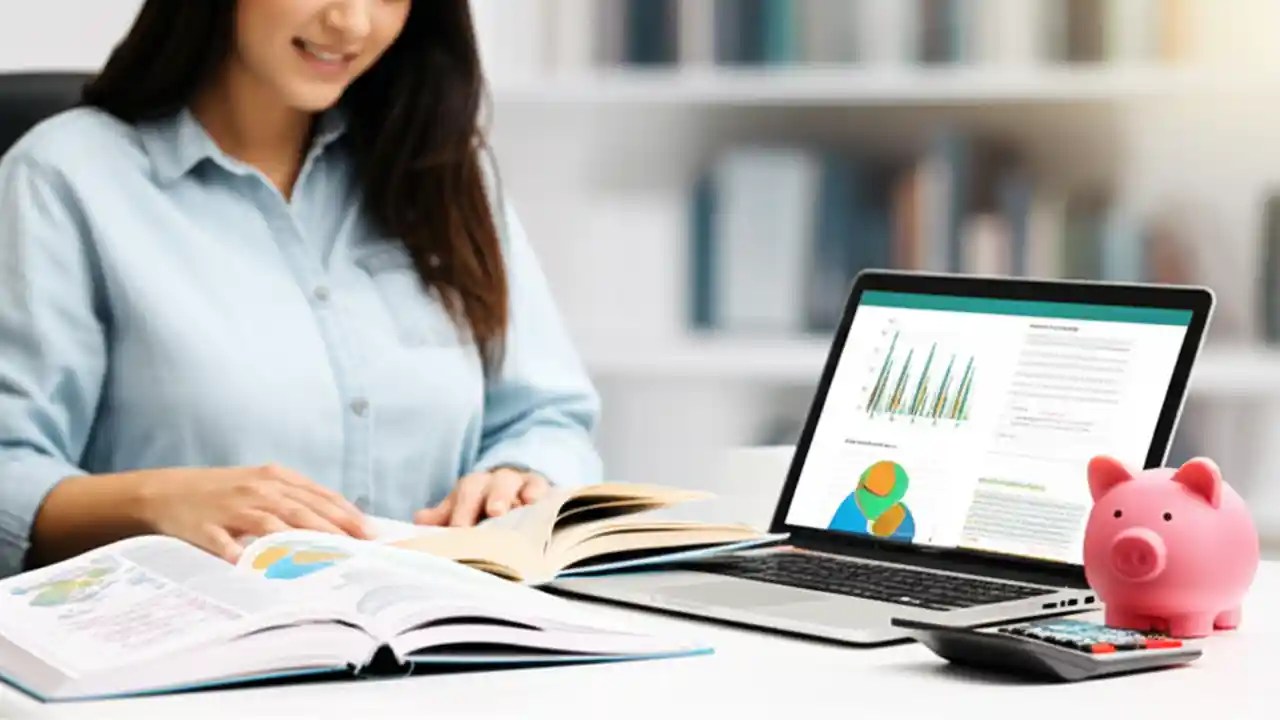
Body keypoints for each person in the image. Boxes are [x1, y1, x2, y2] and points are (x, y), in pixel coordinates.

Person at [0, 0, 603, 578]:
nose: (350, 22)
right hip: (189, 658)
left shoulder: (442, 171)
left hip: (446, 645)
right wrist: (155, 501)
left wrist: (520, 474)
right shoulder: (64, 178)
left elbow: (548, 417)